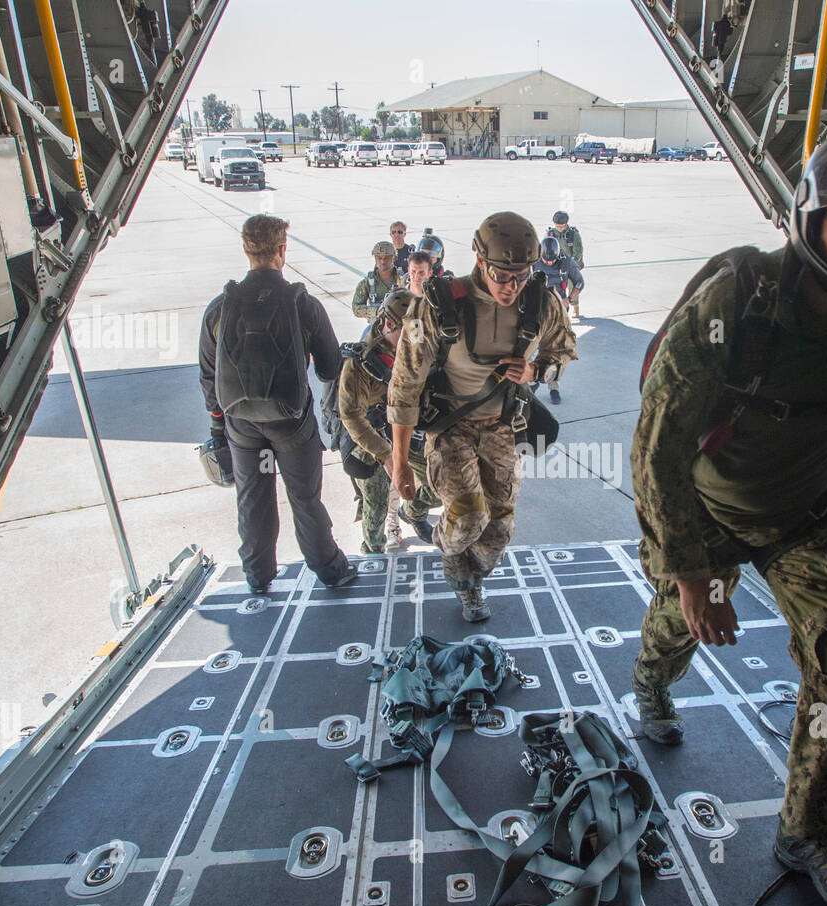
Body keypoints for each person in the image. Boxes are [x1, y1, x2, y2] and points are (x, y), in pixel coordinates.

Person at [628, 116, 827, 906]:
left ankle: (811, 833)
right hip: (707, 509)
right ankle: (651, 685)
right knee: (678, 625)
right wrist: (693, 576)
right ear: (810, 219)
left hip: (806, 512)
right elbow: (657, 450)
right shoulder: (739, 300)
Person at [387, 212, 577, 621]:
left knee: (499, 530)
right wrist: (400, 463)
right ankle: (450, 556)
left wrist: (536, 372)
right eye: (501, 276)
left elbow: (563, 351)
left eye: (521, 276)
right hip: (450, 426)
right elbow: (404, 386)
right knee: (469, 516)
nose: (511, 287)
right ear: (478, 258)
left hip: (504, 425)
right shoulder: (435, 306)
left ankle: (471, 583)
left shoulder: (540, 301)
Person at [199, 214, 358, 593]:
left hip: (241, 425)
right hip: (291, 423)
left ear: (246, 250)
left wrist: (218, 427)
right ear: (282, 251)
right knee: (304, 499)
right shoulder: (302, 304)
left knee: (252, 499)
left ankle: (258, 575)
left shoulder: (221, 307)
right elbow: (329, 369)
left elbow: (209, 377)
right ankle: (329, 569)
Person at [338, 289, 438, 554]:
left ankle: (413, 513)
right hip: (371, 437)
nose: (414, 340)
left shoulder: (414, 343)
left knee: (439, 481)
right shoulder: (359, 362)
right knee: (377, 505)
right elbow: (350, 415)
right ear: (388, 324)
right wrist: (386, 456)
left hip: (403, 427)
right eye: (408, 334)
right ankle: (373, 551)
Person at [529, 235, 583, 406]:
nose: (549, 263)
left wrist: (569, 300)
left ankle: (554, 387)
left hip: (559, 316)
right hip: (538, 313)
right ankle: (532, 383)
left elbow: (580, 282)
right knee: (530, 351)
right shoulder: (533, 260)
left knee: (556, 353)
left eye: (552, 261)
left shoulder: (567, 262)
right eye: (546, 260)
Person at [353, 241, 403, 319]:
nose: (383, 261)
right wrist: (376, 311)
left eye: (386, 258)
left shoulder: (403, 280)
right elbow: (356, 308)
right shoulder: (367, 283)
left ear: (394, 258)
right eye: (379, 258)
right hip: (376, 326)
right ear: (375, 259)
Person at [549, 211, 584, 320]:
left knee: (571, 285)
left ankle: (575, 306)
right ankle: (558, 307)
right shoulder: (551, 233)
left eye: (562, 226)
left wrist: (571, 265)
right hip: (556, 265)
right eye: (557, 226)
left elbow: (578, 252)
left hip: (571, 264)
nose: (559, 228)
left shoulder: (573, 234)